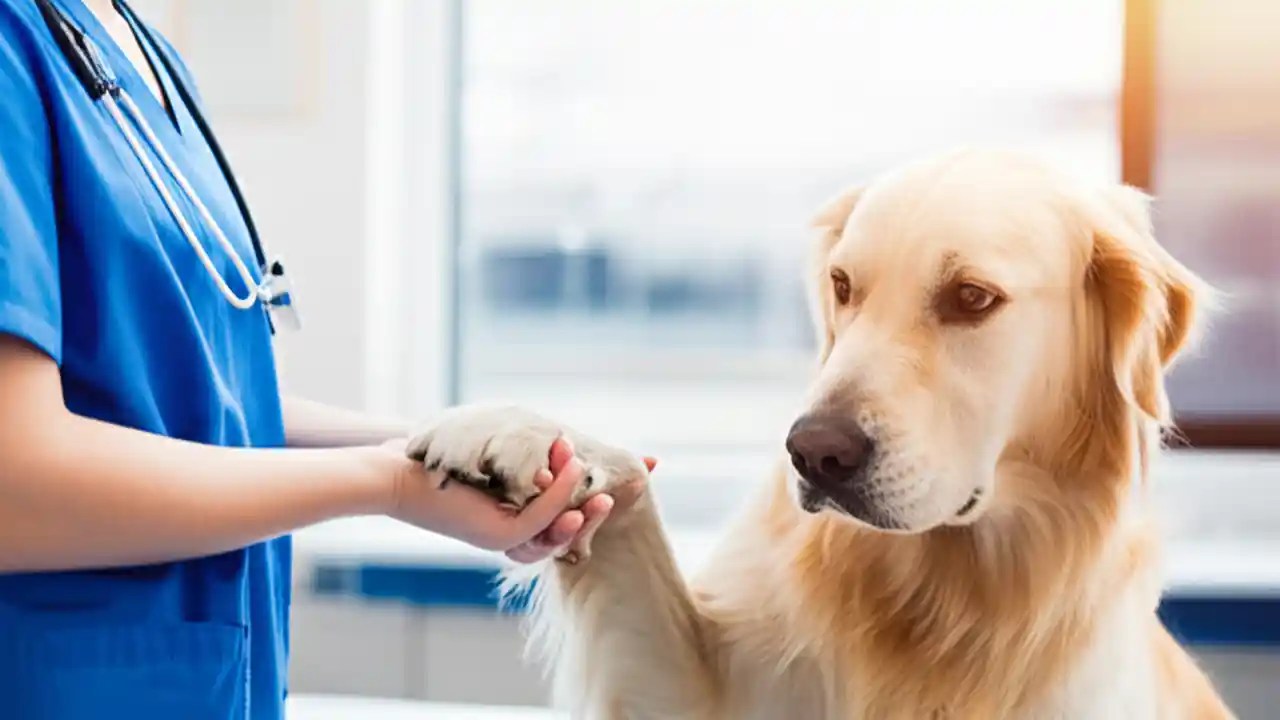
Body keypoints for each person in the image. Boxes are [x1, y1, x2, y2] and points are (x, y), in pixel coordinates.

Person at [0, 1, 645, 717]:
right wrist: (390, 483)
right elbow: (13, 483)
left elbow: (209, 403)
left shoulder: (132, 50)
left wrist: (454, 450)